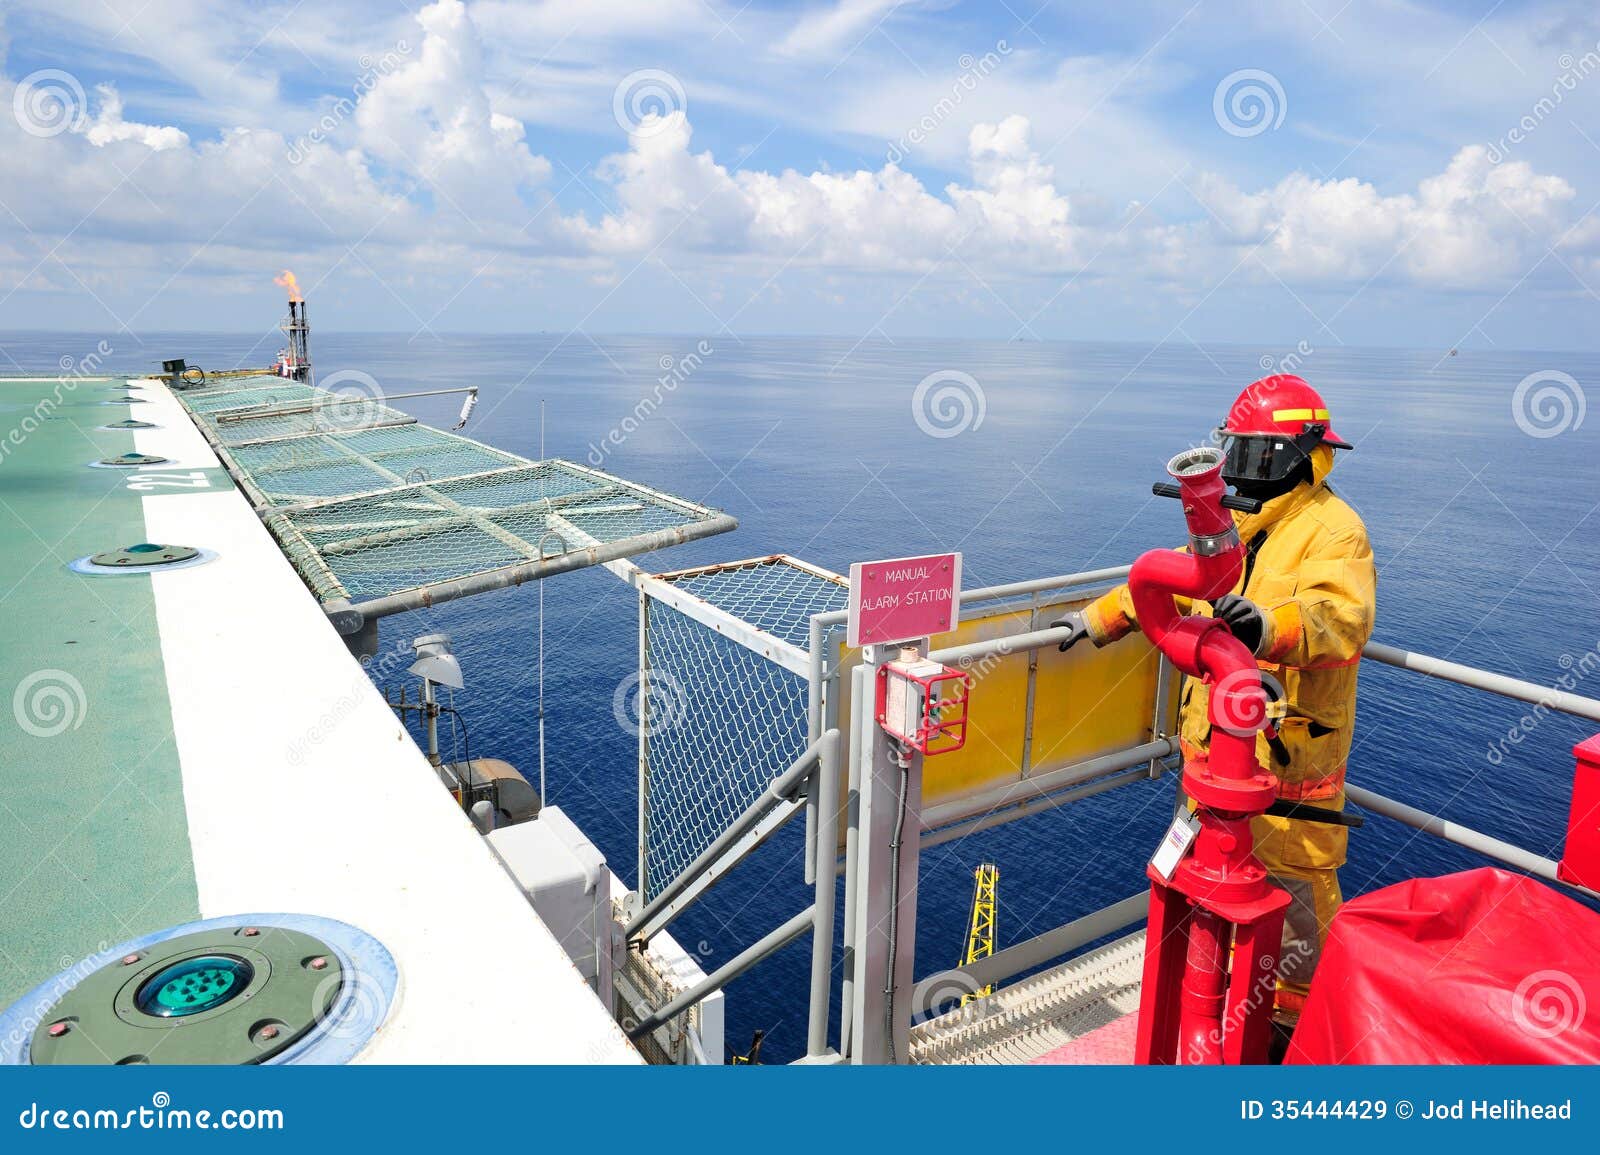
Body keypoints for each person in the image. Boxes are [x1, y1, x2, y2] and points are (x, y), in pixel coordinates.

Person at [1055, 374, 1376, 1016]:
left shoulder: (1335, 531)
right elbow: (1172, 579)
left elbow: (1340, 620)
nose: (1242, 473)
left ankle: (1291, 1029)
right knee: (1203, 885)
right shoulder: (1244, 520)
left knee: (1294, 917)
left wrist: (1266, 626)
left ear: (1300, 456)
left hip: (1289, 777)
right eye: (1239, 455)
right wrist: (1094, 621)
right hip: (1215, 762)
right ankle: (1211, 994)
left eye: (1257, 456)